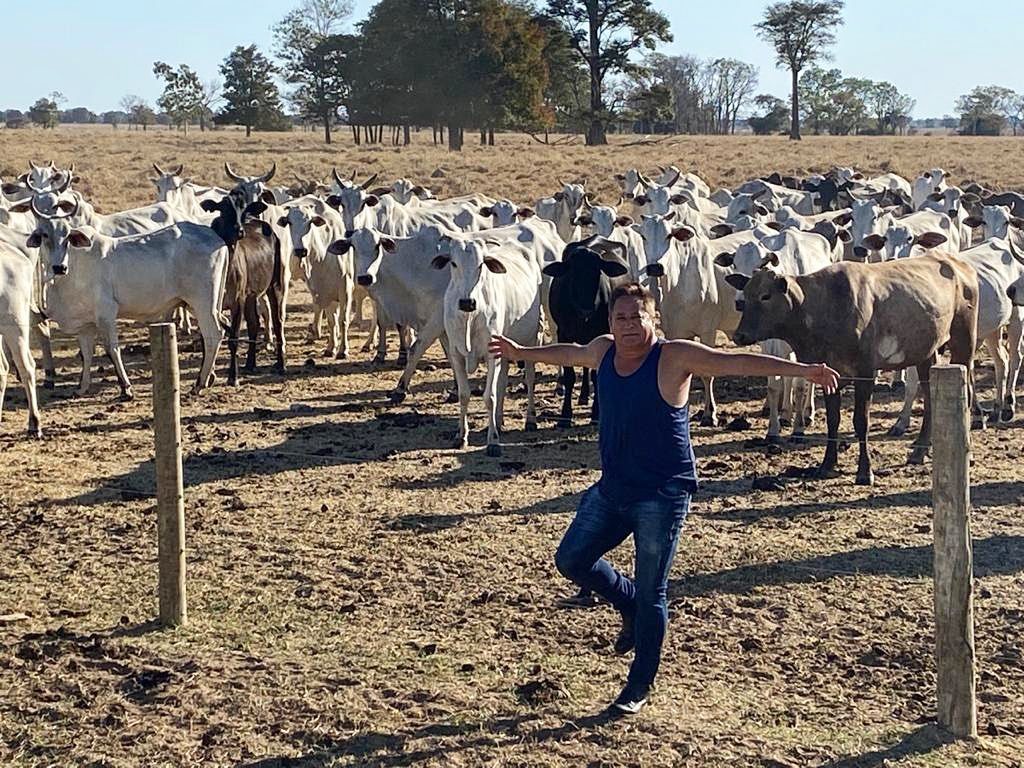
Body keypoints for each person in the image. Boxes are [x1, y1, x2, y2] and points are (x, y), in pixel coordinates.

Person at [488, 282, 839, 715]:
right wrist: (520, 352)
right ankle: (629, 604)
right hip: (613, 488)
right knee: (572, 560)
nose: (628, 325)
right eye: (620, 318)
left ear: (654, 319)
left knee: (654, 590)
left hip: (662, 494)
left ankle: (638, 686)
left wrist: (803, 370)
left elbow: (733, 363)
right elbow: (570, 353)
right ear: (610, 322)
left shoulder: (673, 356)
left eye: (637, 317)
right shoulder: (603, 350)